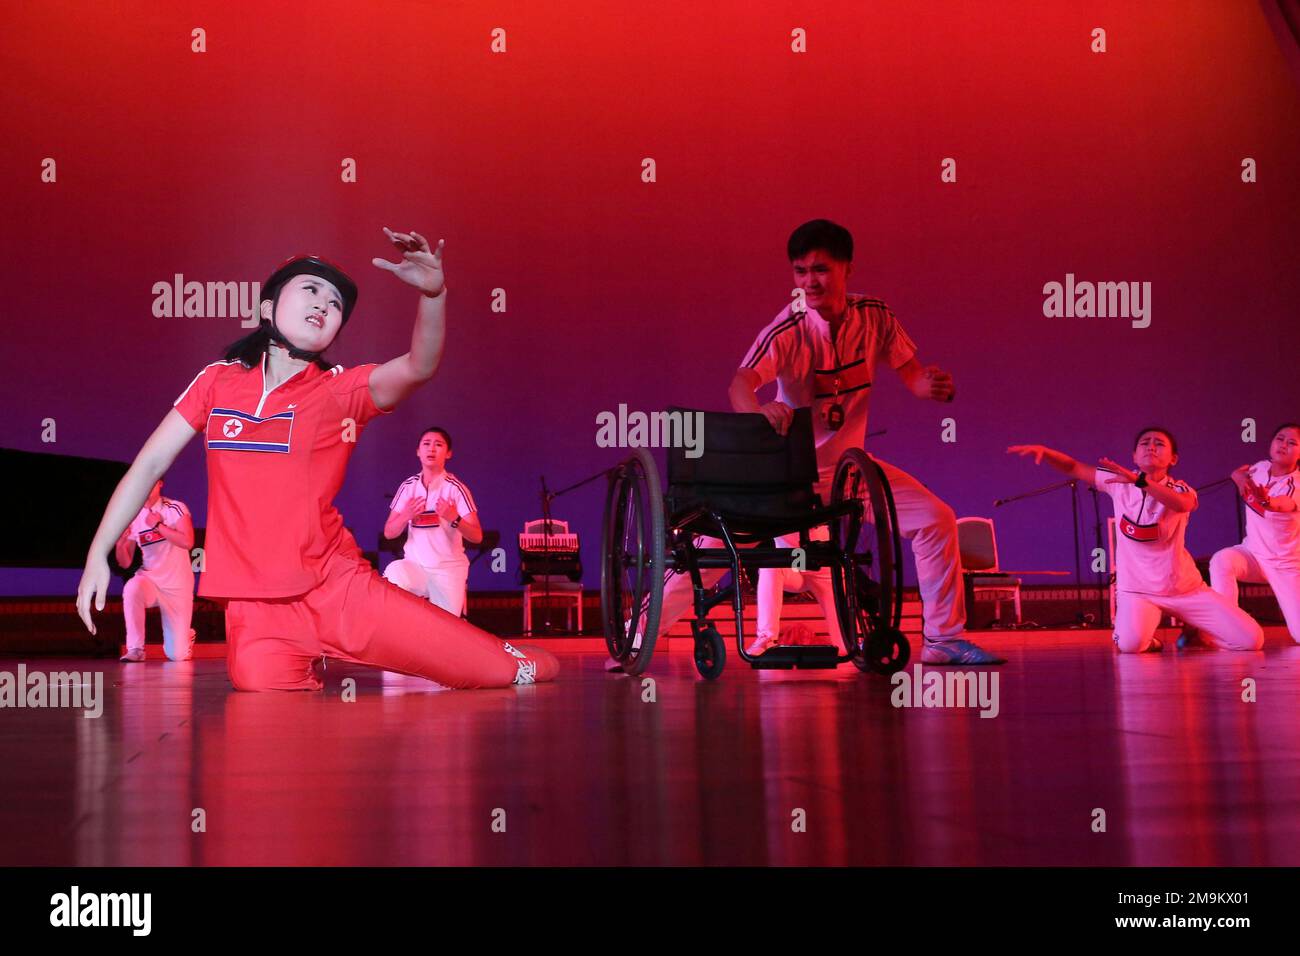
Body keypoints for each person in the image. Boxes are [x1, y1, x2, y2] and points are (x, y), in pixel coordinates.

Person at [77, 229, 558, 690]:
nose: (324, 305)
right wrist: (98, 552)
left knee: (499, 672)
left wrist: (433, 295)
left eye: (334, 304)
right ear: (268, 306)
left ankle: (514, 660)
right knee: (259, 703)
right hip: (257, 610)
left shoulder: (338, 391)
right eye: (310, 289)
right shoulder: (217, 382)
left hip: (341, 591)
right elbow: (148, 465)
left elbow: (419, 366)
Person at [644, 219, 1002, 666]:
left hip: (847, 472)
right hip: (784, 477)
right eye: (800, 271)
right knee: (712, 554)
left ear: (847, 268)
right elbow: (740, 383)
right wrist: (758, 411)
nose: (810, 281)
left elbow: (911, 373)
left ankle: (943, 639)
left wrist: (926, 385)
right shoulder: (789, 329)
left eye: (821, 269)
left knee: (936, 519)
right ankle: (636, 641)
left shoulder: (876, 316)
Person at [1008, 428, 1264, 652]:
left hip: (1186, 589)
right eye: (1145, 442)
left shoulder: (1181, 489)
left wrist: (1139, 481)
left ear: (1173, 459)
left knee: (1252, 640)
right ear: (1134, 456)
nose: (1151, 446)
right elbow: (1074, 467)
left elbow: (1182, 503)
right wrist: (1047, 452)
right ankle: (1153, 643)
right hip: (1137, 591)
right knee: (1130, 646)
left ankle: (1196, 632)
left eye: (1159, 443)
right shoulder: (1119, 483)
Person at [1205, 423, 1300, 642]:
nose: (1283, 444)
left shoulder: (1297, 483)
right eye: (1280, 438)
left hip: (1284, 565)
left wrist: (1267, 501)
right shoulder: (1259, 468)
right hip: (1253, 554)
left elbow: (1281, 504)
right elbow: (1243, 486)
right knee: (1222, 560)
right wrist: (1238, 478)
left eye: (1292, 443)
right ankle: (1229, 629)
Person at [383, 426, 481, 616]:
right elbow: (389, 532)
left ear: (448, 453)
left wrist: (455, 518)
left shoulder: (456, 489)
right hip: (416, 567)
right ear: (418, 452)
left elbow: (477, 536)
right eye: (426, 444)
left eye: (438, 445)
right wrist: (406, 515)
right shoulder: (408, 486)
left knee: (445, 633)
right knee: (394, 572)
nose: (431, 449)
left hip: (447, 570)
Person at [113, 477, 196, 662]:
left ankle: (186, 635)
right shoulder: (134, 515)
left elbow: (188, 542)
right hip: (150, 580)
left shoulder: (175, 508)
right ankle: (136, 648)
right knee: (132, 587)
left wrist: (158, 526)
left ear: (160, 483)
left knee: (177, 655)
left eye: (151, 482)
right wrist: (120, 544)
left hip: (177, 586)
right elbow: (125, 563)